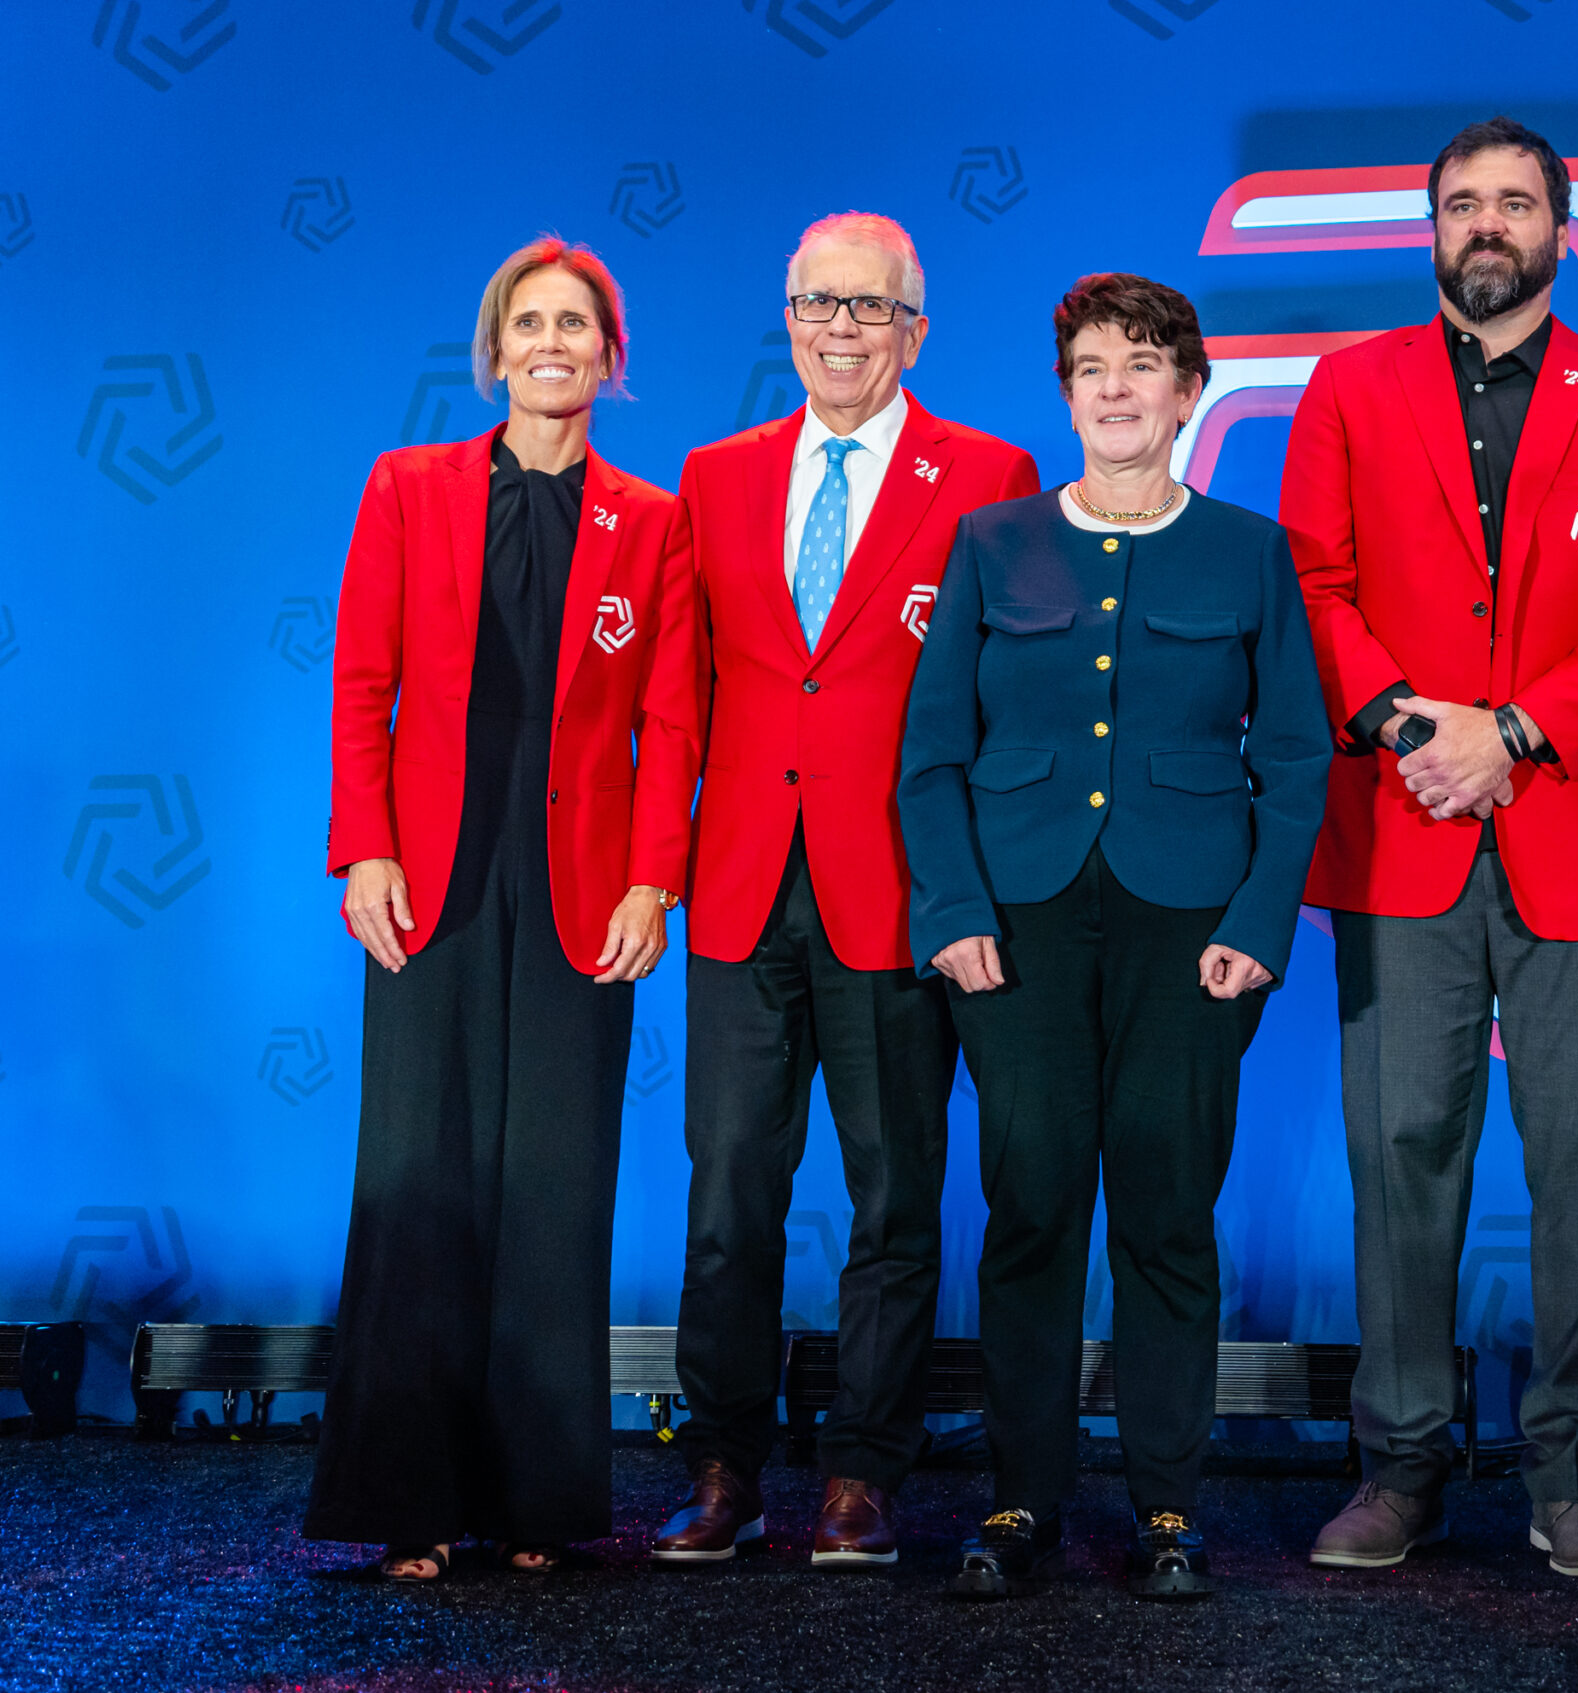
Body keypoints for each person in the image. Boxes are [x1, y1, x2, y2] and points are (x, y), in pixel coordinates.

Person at [1280, 118, 1578, 1579]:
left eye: (1513, 203)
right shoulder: (1350, 387)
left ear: (1561, 230)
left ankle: (1573, 1468)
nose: (1486, 224)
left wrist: (1514, 732)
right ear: (1431, 227)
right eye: (1462, 203)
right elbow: (1314, 582)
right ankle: (1399, 1465)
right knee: (1399, 1153)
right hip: (1405, 829)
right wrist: (1417, 726)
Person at [897, 274, 1330, 1599]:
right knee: (1029, 1207)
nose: (1119, 388)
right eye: (1093, 367)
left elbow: (1303, 756)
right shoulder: (991, 541)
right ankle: (1021, 1503)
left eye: (1145, 365)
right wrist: (955, 913)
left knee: (1164, 1209)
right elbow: (929, 758)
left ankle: (1164, 1509)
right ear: (1066, 391)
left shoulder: (1251, 552)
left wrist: (1260, 923)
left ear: (1190, 390)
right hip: (1018, 927)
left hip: (1188, 926)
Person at [306, 237, 698, 1580]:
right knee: (418, 1178)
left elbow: (670, 716)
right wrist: (364, 849)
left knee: (554, 1188)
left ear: (610, 356)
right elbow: (361, 682)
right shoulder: (409, 487)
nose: (550, 343)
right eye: (527, 322)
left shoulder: (653, 522)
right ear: (493, 349)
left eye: (575, 325)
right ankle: (408, 1500)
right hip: (428, 882)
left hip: (586, 895)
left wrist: (656, 876)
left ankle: (535, 1503)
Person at [653, 213, 1039, 1569]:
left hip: (902, 896)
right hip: (743, 888)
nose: (839, 329)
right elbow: (681, 701)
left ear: (914, 330)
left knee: (894, 1199)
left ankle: (862, 1477)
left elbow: (1015, 707)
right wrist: (659, 870)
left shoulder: (994, 475)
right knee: (728, 1196)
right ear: (788, 315)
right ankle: (720, 1465)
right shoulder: (713, 476)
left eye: (868, 309)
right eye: (817, 303)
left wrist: (988, 893)